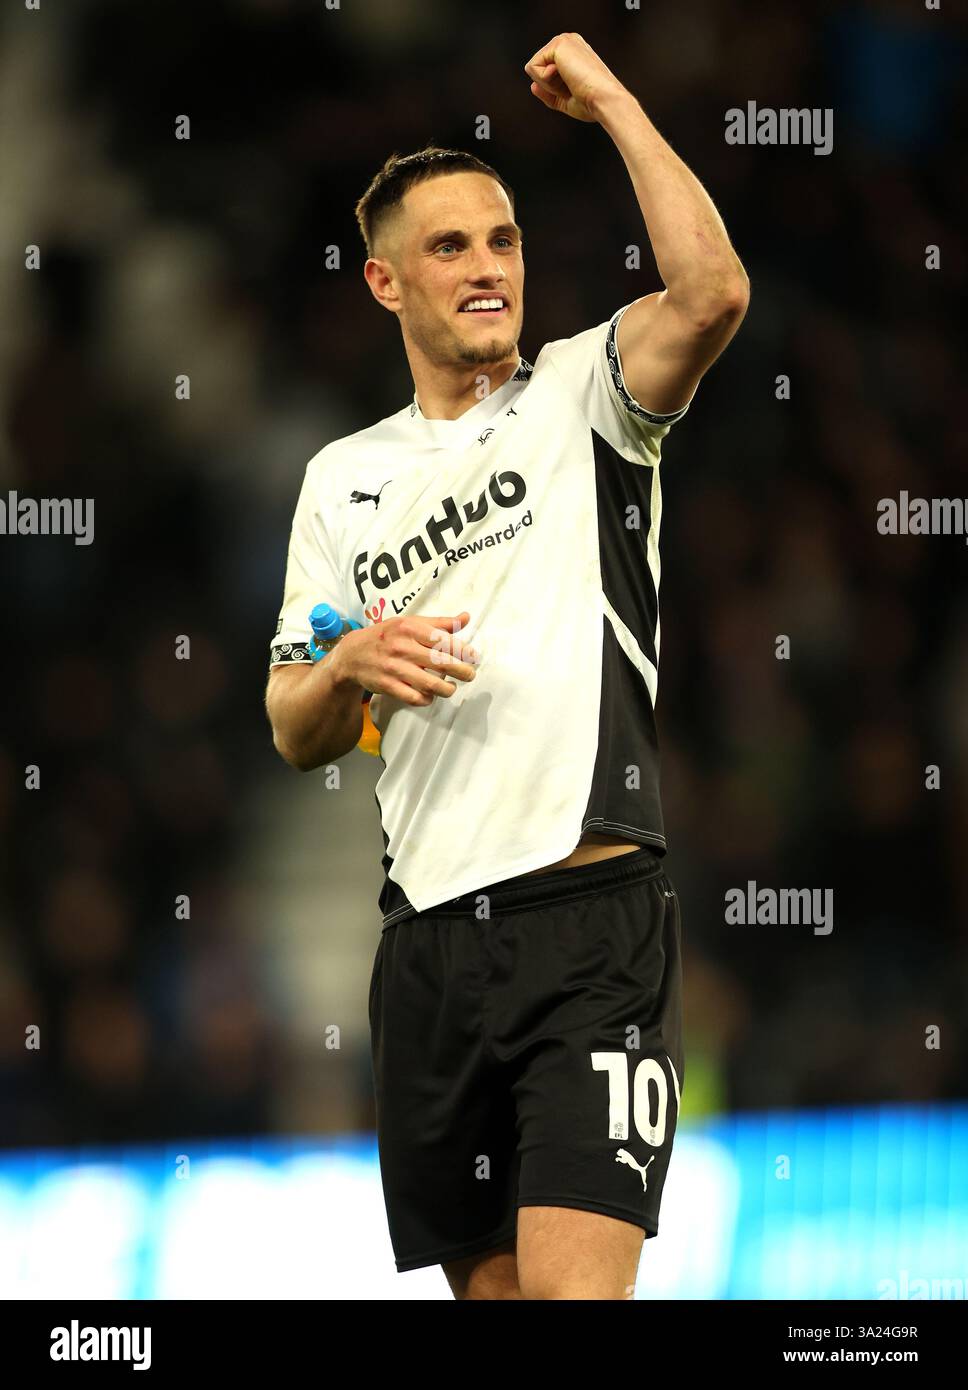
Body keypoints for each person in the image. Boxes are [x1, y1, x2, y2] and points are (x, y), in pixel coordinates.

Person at [265, 31, 749, 1299]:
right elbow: (292, 724)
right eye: (449, 246)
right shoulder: (340, 480)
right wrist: (350, 660)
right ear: (383, 284)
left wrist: (613, 104)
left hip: (587, 927)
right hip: (426, 950)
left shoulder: (585, 391)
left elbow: (709, 294)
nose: (487, 268)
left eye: (504, 240)